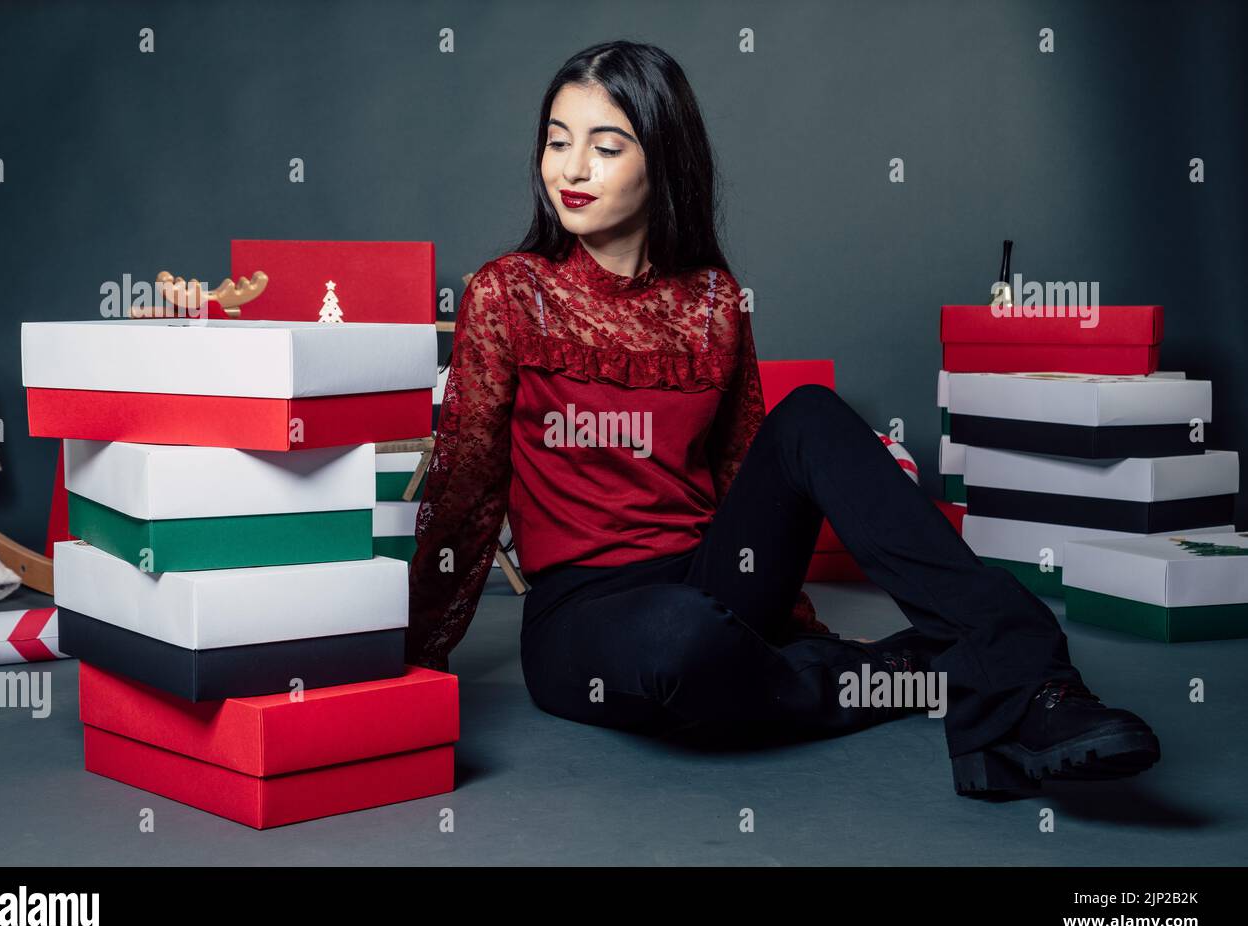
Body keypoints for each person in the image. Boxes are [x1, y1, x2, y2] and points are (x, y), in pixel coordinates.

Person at [406, 39, 1161, 796]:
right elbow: (465, 487)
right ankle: (903, 673)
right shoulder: (511, 292)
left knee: (808, 417)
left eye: (605, 147)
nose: (570, 169)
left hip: (713, 580)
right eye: (556, 141)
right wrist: (412, 660)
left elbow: (748, 473)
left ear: (663, 159)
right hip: (589, 617)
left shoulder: (713, 302)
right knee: (685, 643)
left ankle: (1035, 681)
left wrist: (788, 619)